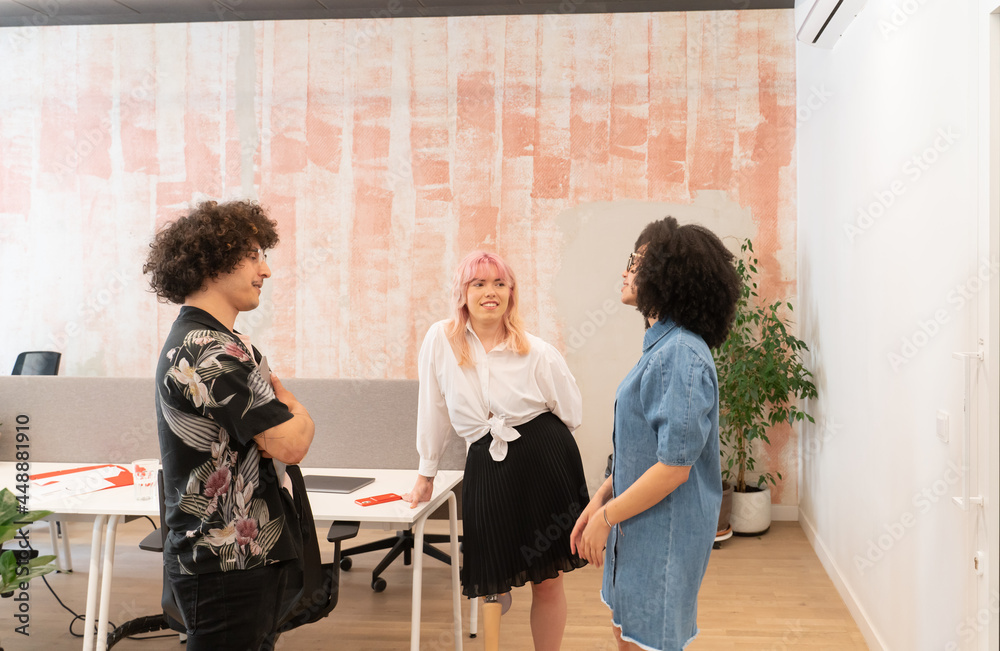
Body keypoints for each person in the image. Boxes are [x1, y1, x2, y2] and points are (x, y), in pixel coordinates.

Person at [143, 200, 315, 650]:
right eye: (255, 254)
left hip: (238, 554)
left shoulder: (217, 342)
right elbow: (291, 444)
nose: (267, 270)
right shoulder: (208, 351)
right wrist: (299, 411)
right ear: (217, 259)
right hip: (224, 561)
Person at [402, 251, 588, 651]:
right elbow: (432, 406)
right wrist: (426, 472)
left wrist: (539, 443)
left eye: (500, 283)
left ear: (511, 293)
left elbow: (571, 413)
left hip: (543, 460)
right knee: (489, 580)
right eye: (479, 283)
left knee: (547, 579)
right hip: (485, 459)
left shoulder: (536, 351)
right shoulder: (440, 339)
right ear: (462, 293)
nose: (490, 292)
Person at [570, 217, 740, 651]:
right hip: (634, 525)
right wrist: (600, 499)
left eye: (637, 261)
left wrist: (607, 517)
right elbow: (644, 449)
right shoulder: (662, 348)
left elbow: (672, 469)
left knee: (648, 642)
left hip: (659, 535)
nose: (626, 272)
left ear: (667, 276)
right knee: (628, 635)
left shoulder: (680, 355)